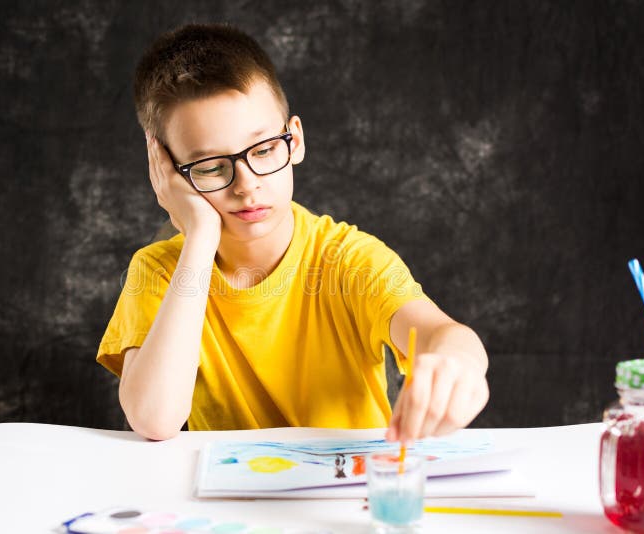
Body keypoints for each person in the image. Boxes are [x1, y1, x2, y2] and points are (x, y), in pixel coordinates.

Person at [96, 23, 489, 443]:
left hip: (345, 495)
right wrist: (200, 237)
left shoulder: (348, 260)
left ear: (294, 140)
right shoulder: (158, 272)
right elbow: (155, 419)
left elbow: (443, 335)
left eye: (264, 149)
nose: (246, 184)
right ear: (168, 174)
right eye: (210, 166)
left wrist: (457, 362)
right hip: (231, 501)